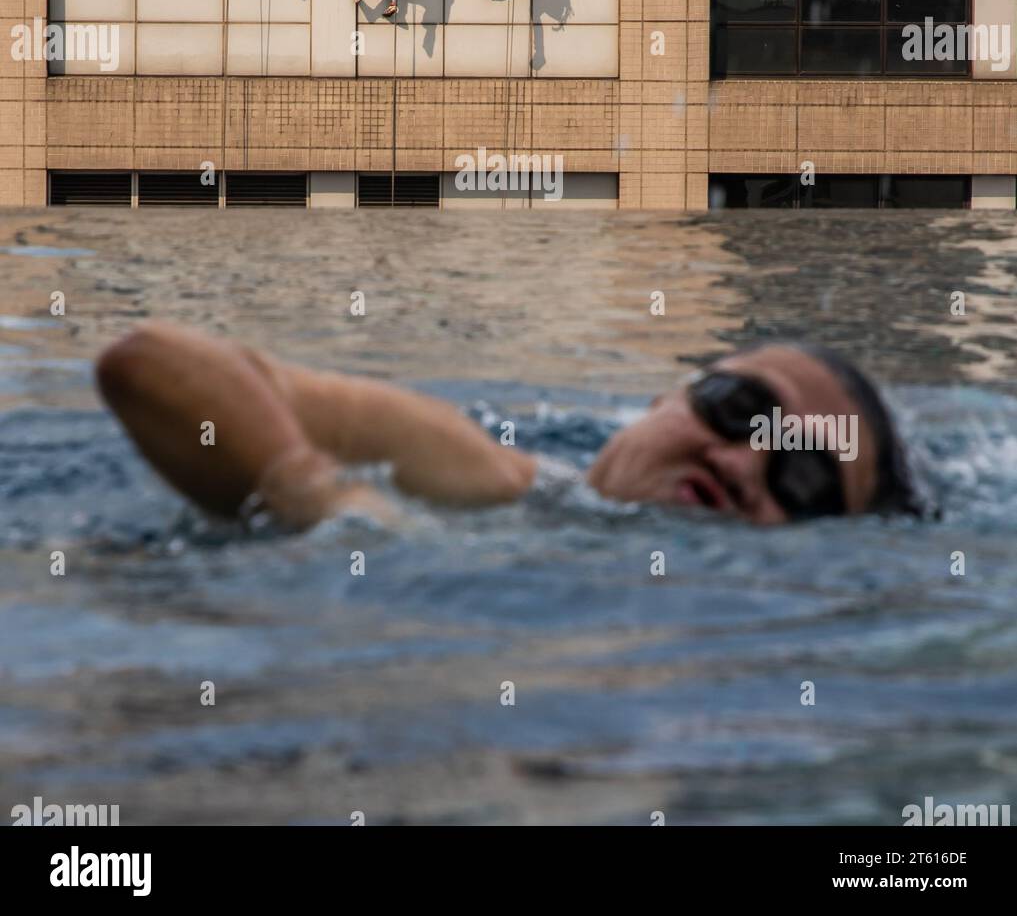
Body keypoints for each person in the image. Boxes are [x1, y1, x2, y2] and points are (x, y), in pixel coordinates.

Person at [95, 325, 929, 532]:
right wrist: (330, 502)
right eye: (742, 411)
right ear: (659, 403)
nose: (747, 462)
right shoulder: (485, 481)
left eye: (805, 479)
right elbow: (149, 363)